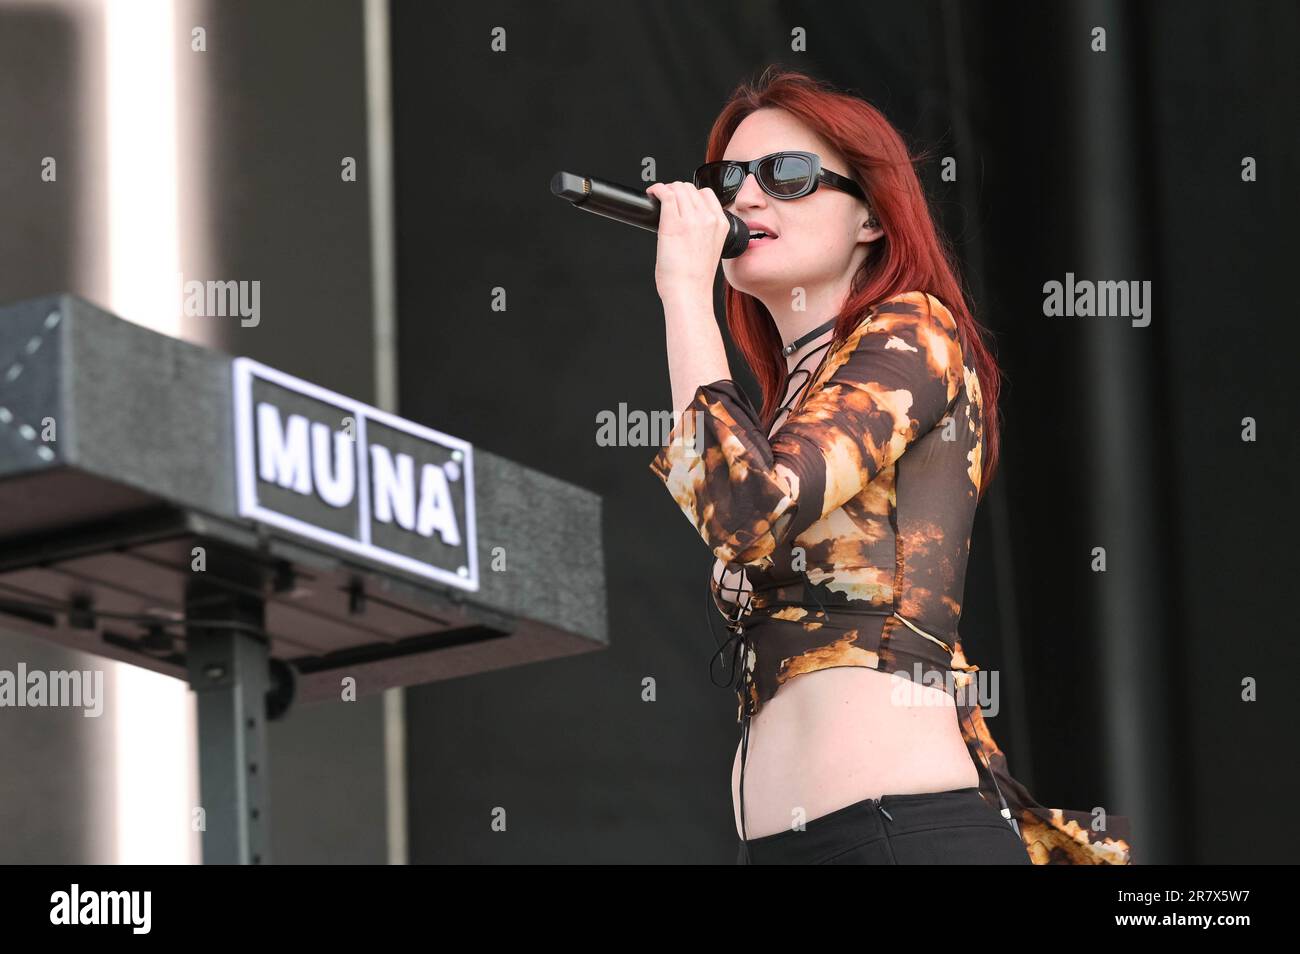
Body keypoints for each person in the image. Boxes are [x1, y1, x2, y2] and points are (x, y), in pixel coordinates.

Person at [646, 66, 1132, 865]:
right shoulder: (792, 409)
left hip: (900, 833)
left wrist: (681, 294)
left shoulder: (915, 334)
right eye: (727, 180)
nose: (746, 200)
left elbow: (743, 510)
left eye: (787, 176)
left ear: (872, 215)